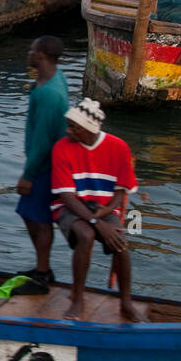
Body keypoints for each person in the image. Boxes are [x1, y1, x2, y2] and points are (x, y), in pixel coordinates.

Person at [50, 98, 142, 322]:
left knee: (120, 243)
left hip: (102, 207)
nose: (67, 131)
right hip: (69, 207)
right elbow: (67, 198)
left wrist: (107, 211)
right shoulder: (61, 148)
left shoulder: (118, 147)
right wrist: (96, 221)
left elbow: (122, 189)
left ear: (88, 130)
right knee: (86, 234)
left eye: (73, 127)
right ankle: (78, 299)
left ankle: (126, 303)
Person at [14, 35, 69, 289]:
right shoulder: (51, 80)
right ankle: (41, 265)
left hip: (45, 166)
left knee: (40, 219)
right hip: (41, 162)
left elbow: (43, 142)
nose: (29, 52)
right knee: (27, 213)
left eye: (32, 50)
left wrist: (29, 174)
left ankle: (43, 272)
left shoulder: (49, 95)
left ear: (42, 56)